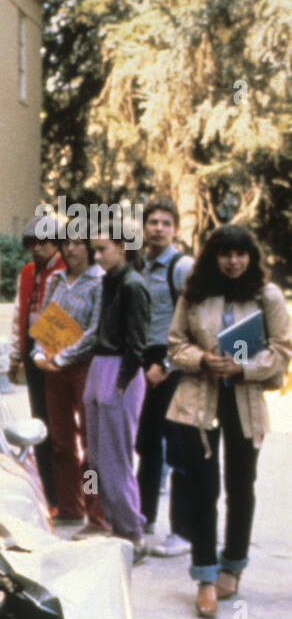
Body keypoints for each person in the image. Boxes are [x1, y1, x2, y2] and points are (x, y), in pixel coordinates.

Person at [165, 224, 291, 618]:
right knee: (202, 488)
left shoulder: (266, 296)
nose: (233, 262)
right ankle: (205, 577)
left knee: (241, 485)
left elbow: (282, 350)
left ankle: (232, 567)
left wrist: (244, 368)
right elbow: (175, 345)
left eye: (240, 254)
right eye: (225, 254)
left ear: (251, 257)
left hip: (244, 401)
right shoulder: (195, 292)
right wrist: (202, 359)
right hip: (198, 402)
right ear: (213, 257)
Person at [29, 234, 110, 532]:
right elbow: (46, 321)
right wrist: (39, 354)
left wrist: (62, 357)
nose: (71, 249)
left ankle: (96, 512)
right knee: (61, 442)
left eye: (78, 243)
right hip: (53, 367)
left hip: (83, 367)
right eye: (66, 244)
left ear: (89, 248)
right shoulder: (57, 280)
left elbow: (94, 331)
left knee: (91, 444)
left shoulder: (100, 281)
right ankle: (69, 506)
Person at [85, 225, 150, 560]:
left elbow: (138, 341)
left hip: (119, 369)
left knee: (116, 460)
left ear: (122, 247)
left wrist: (122, 381)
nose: (97, 257)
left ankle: (132, 530)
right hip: (100, 365)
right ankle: (112, 522)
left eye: (103, 249)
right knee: (95, 458)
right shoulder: (109, 281)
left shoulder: (133, 284)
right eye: (94, 250)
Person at [136, 198, 195, 558]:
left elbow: (197, 323)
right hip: (145, 361)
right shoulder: (141, 266)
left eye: (165, 223)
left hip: (174, 363)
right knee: (146, 445)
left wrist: (168, 365)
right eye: (152, 222)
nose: (158, 228)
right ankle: (143, 519)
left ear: (175, 229)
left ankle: (183, 532)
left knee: (178, 447)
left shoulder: (182, 266)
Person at [8, 217, 65, 511]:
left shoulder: (65, 270)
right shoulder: (28, 272)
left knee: (63, 431)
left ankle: (72, 497)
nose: (37, 248)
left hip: (58, 355)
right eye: (32, 243)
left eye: (43, 242)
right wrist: (15, 355)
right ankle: (50, 495)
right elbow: (19, 313)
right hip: (33, 352)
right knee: (40, 423)